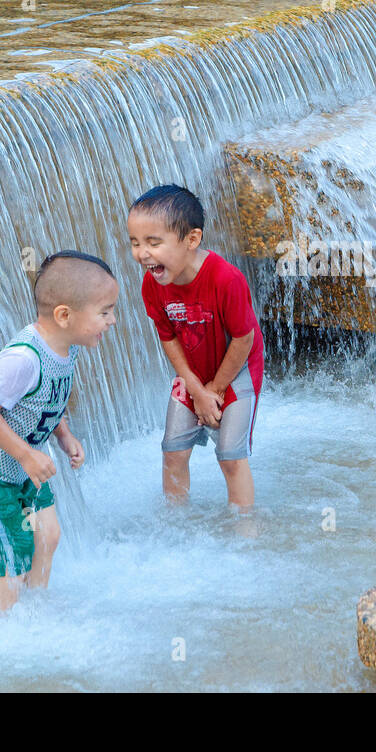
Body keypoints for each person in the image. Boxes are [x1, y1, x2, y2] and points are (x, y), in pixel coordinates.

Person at [0, 250, 119, 612]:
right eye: (105, 312)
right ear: (64, 315)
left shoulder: (68, 345)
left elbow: (43, 401)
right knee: (13, 552)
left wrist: (63, 436)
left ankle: (36, 611)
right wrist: (28, 454)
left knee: (48, 535)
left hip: (25, 463)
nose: (113, 321)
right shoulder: (23, 359)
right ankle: (0, 630)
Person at [127, 184, 264, 511]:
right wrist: (195, 388)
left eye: (153, 242)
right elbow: (168, 338)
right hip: (192, 371)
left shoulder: (225, 280)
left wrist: (214, 390)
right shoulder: (153, 284)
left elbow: (244, 340)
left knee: (230, 457)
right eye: (134, 243)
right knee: (173, 452)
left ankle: (244, 528)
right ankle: (177, 525)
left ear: (192, 239)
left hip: (236, 370)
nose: (142, 253)